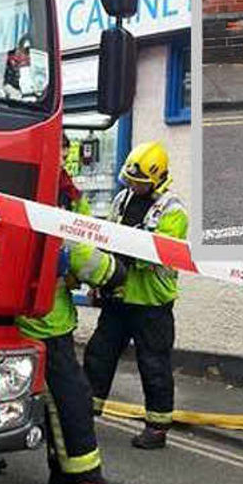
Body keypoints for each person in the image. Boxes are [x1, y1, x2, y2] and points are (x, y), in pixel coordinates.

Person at [10, 164, 129, 484]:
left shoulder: (16, 192)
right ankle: (82, 479)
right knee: (70, 400)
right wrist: (115, 270)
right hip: (44, 324)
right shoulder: (52, 206)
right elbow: (93, 262)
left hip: (12, 319)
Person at [80, 141, 188, 450]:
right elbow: (108, 238)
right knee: (98, 357)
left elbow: (157, 254)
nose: (134, 186)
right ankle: (85, 414)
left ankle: (157, 427)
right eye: (130, 180)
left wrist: (124, 252)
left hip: (152, 303)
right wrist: (100, 278)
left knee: (154, 365)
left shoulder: (173, 211)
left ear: (158, 178)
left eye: (139, 182)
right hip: (118, 297)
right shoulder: (122, 199)